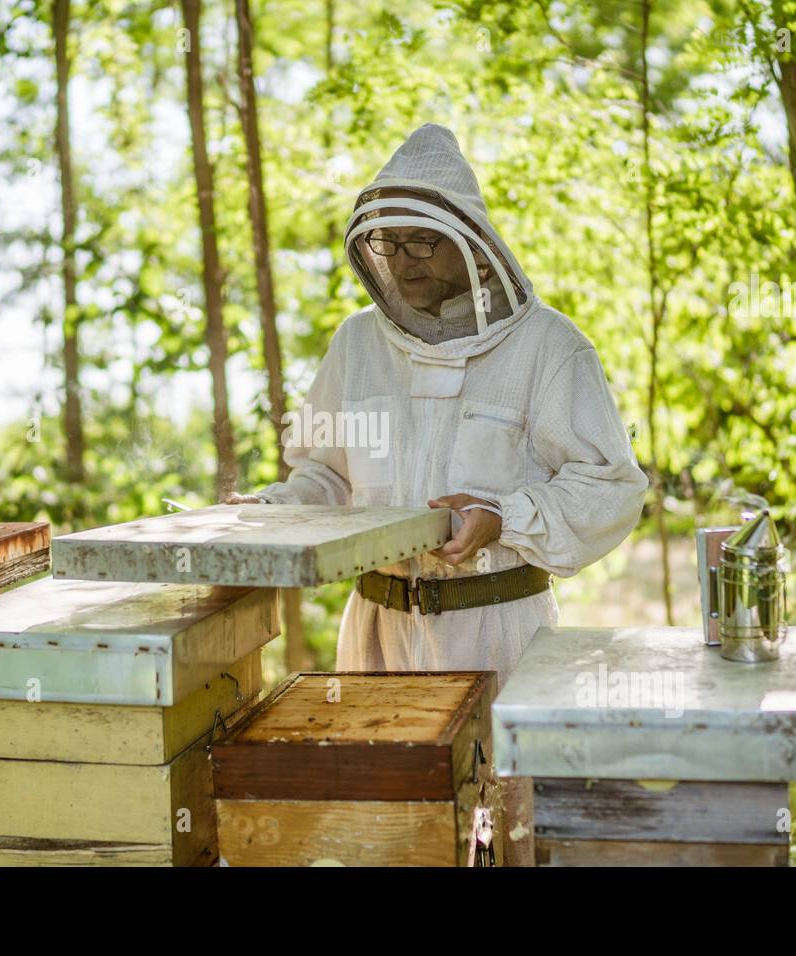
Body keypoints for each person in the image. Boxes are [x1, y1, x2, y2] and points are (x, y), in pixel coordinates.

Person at [225, 123, 648, 864]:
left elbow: (609, 485)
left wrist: (503, 517)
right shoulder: (356, 345)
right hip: (378, 629)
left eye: (423, 239)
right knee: (386, 832)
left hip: (499, 633)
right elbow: (323, 472)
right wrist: (274, 511)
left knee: (508, 829)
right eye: (389, 244)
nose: (405, 259)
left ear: (470, 239)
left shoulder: (548, 347)